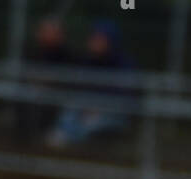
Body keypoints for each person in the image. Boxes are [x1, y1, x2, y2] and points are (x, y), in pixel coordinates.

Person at [46, 20, 135, 149]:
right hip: (85, 107)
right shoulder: (86, 60)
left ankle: (69, 142)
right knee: (71, 111)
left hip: (112, 113)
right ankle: (64, 138)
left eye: (99, 39)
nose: (94, 42)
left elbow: (125, 95)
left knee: (90, 123)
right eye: (94, 38)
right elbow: (77, 87)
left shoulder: (124, 63)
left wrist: (101, 108)